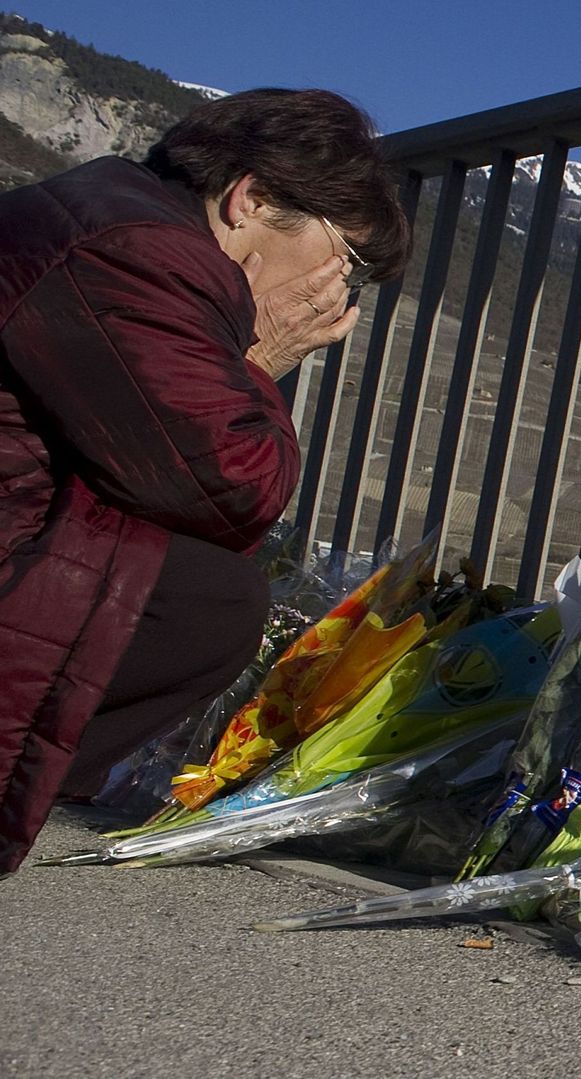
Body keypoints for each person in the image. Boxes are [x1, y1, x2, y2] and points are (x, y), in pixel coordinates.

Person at [0, 88, 411, 874]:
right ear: (250, 199)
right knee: (209, 603)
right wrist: (261, 358)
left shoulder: (115, 211)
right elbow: (231, 488)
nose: (340, 290)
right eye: (347, 258)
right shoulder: (146, 258)